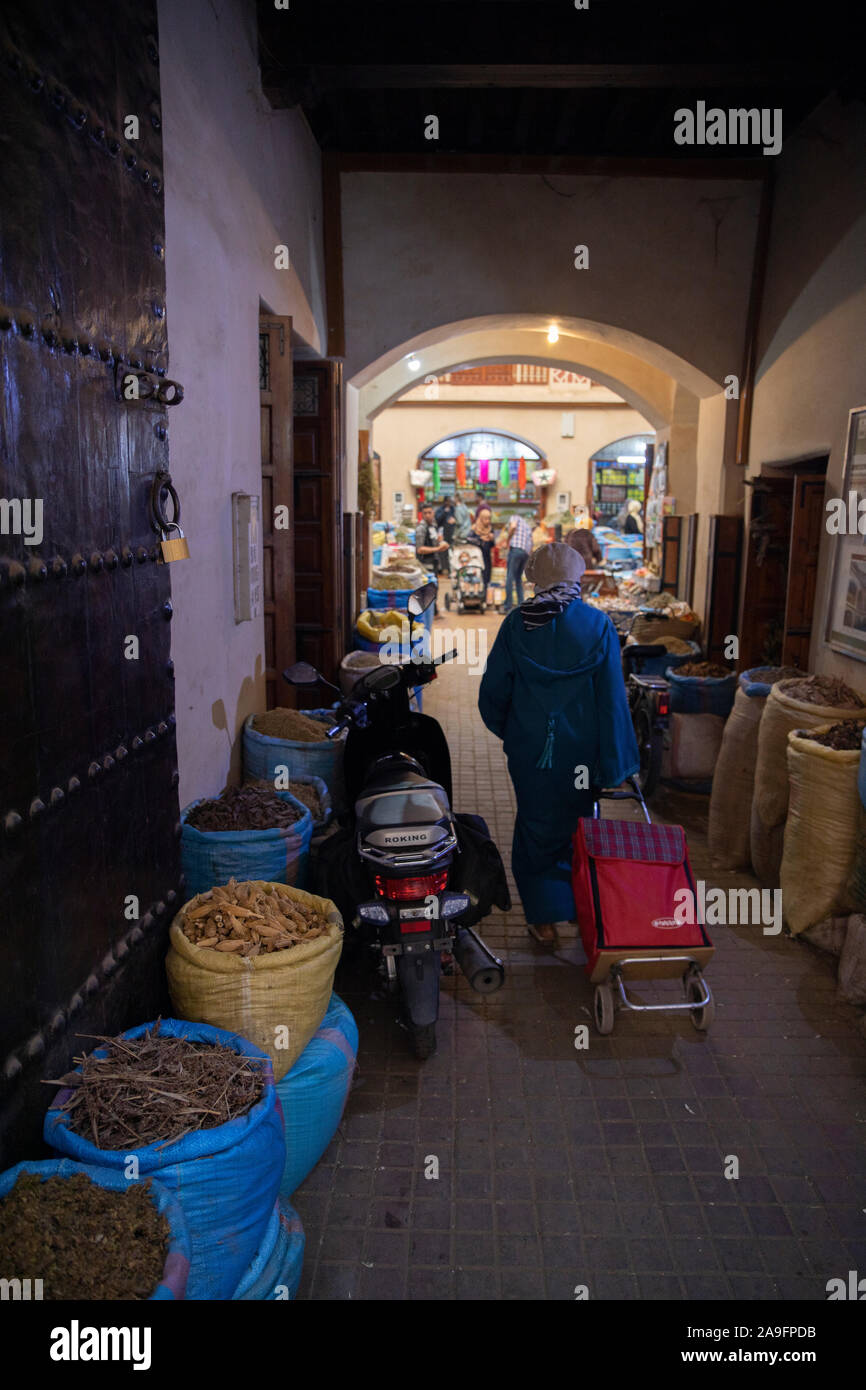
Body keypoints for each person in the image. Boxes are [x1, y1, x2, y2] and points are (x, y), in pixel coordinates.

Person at [478, 542, 639, 945]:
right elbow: (612, 701)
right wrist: (616, 763)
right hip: (581, 752)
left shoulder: (517, 624)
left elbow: (493, 693)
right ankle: (577, 908)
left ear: (536, 579)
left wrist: (515, 731)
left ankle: (544, 919)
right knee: (578, 824)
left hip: (531, 751)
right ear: (576, 578)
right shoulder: (598, 625)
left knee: (535, 825)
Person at [415, 503, 449, 615]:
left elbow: (436, 539)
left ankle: (433, 610)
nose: (428, 515)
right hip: (425, 564)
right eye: (425, 513)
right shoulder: (421, 528)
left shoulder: (433, 525)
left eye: (430, 512)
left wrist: (442, 542)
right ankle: (428, 612)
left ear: (433, 513)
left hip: (434, 562)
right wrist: (438, 549)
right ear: (422, 514)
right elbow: (420, 549)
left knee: (435, 587)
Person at [502, 512, 532, 613]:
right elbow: (531, 542)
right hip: (525, 553)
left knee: (510, 577)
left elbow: (513, 527)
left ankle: (507, 605)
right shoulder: (527, 526)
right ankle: (520, 604)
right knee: (518, 578)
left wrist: (507, 540)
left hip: (515, 550)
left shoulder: (514, 517)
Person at [468, 506, 495, 589]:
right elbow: (468, 540)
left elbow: (492, 545)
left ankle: (485, 595)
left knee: (487, 576)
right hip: (475, 558)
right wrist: (480, 539)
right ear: (480, 518)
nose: (488, 521)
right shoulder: (474, 528)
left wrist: (492, 539)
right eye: (485, 519)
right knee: (476, 576)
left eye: (489, 519)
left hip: (486, 557)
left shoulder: (490, 529)